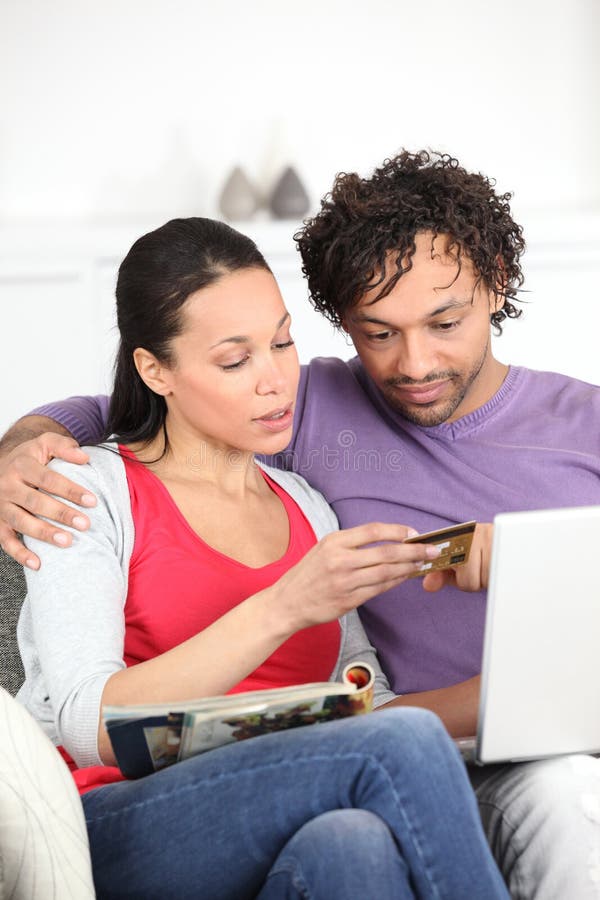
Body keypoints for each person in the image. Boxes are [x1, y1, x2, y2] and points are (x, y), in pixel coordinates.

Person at [1, 150, 599, 897]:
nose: (275, 376)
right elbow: (91, 723)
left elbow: (365, 705)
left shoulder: (305, 501)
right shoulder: (93, 484)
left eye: (282, 343)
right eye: (377, 332)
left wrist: (524, 656)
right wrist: (19, 446)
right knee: (398, 750)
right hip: (126, 812)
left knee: (355, 844)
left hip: (328, 785)